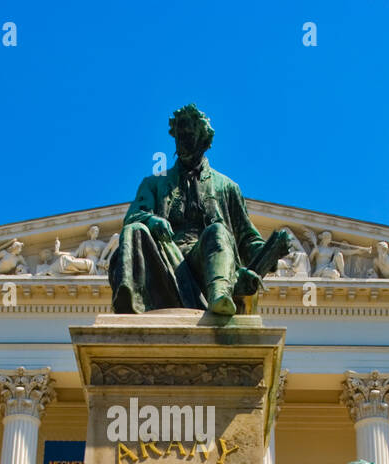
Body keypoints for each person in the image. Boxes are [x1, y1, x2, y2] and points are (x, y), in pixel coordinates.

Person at [108, 104, 290, 316]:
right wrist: (152, 221)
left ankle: (220, 294)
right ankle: (127, 301)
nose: (182, 142)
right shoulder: (154, 183)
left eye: (188, 135)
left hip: (206, 260)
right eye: (179, 135)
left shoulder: (227, 187)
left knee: (218, 231)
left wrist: (268, 254)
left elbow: (247, 237)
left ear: (204, 140)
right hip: (165, 255)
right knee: (135, 229)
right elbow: (133, 217)